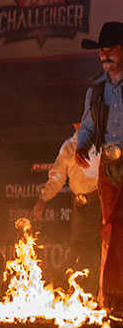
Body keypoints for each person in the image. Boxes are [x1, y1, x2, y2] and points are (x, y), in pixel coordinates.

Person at [76, 21, 123, 314]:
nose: (104, 55)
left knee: (117, 227)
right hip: (109, 163)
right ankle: (111, 298)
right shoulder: (95, 90)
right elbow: (88, 124)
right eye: (102, 51)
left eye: (111, 50)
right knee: (111, 229)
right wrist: (82, 146)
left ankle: (114, 297)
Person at [33, 123, 100, 294]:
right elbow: (57, 176)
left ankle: (95, 290)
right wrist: (43, 199)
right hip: (80, 204)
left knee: (96, 247)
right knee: (78, 246)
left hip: (98, 202)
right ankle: (79, 290)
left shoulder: (100, 143)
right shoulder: (69, 147)